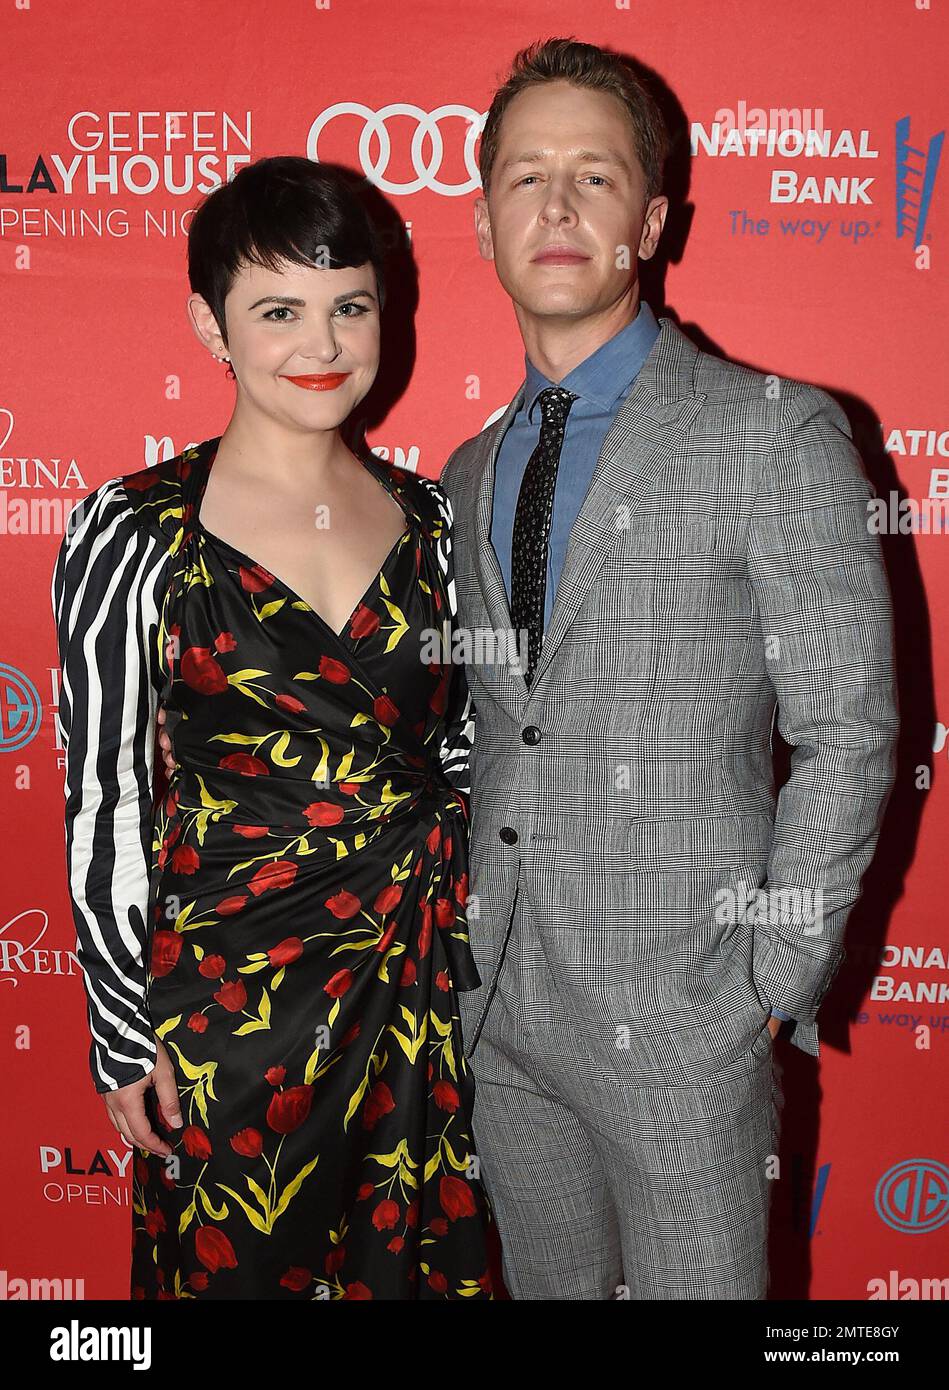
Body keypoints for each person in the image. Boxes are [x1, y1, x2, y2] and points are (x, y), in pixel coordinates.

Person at [433, 38, 897, 1298]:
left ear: (649, 218)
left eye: (594, 175)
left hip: (687, 1018)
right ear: (482, 225)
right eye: (526, 178)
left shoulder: (774, 431)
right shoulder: (467, 472)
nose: (558, 206)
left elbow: (849, 731)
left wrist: (766, 979)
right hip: (500, 1014)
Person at [52, 155, 494, 1300]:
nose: (324, 346)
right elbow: (105, 801)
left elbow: (465, 754)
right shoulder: (135, 528)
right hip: (233, 1003)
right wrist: (119, 1030)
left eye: (350, 306)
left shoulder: (439, 520)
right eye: (279, 311)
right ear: (211, 326)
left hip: (427, 987)